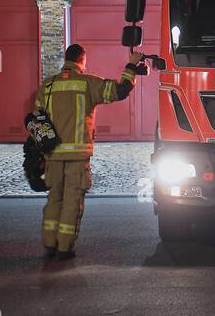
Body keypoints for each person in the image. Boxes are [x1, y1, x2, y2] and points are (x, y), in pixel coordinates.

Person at [26, 44, 143, 260]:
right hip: (77, 157)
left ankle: (50, 245)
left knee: (54, 199)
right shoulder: (88, 83)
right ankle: (64, 249)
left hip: (52, 156)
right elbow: (121, 90)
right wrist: (132, 65)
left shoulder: (48, 86)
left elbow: (38, 120)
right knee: (72, 201)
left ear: (66, 59)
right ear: (83, 60)